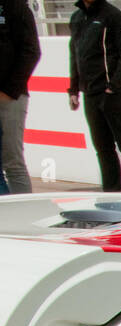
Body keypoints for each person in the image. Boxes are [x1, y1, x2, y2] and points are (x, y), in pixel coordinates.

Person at [68, 0, 121, 191]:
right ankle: (111, 195)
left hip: (114, 94)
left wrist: (114, 86)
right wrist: (73, 89)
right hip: (90, 93)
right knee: (103, 149)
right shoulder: (77, 17)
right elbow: (75, 54)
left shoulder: (115, 17)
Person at [0, 0, 41, 194]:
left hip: (10, 97)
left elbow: (31, 51)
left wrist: (9, 91)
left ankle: (23, 212)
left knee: (12, 162)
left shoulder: (16, 7)